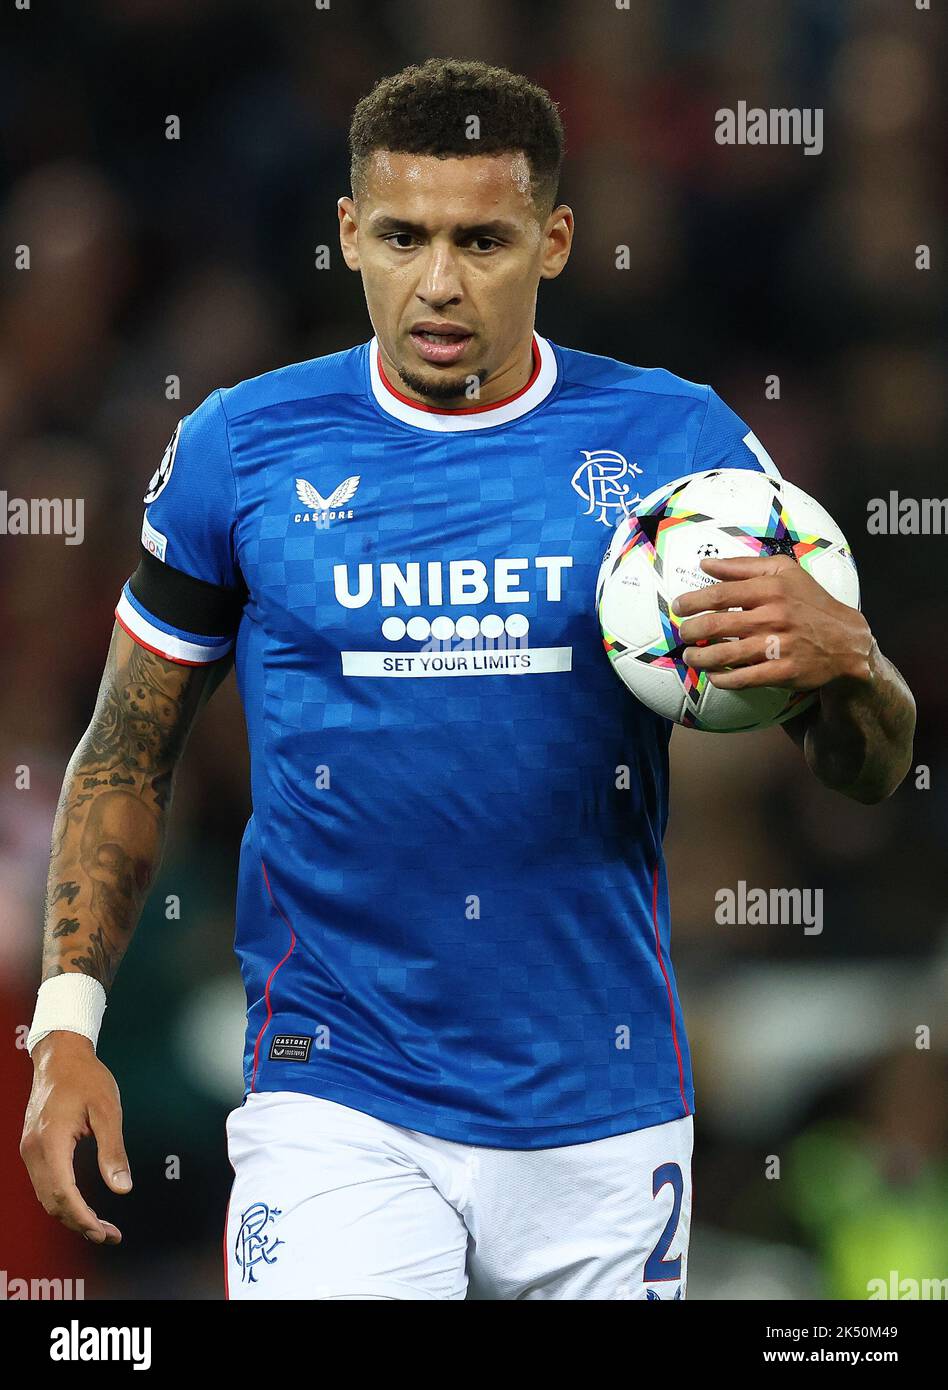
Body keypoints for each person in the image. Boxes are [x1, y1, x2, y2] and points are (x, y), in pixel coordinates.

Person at [20, 58, 916, 1301]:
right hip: (338, 1095)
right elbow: (125, 744)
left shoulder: (683, 451)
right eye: (402, 236)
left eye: (483, 239)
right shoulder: (241, 448)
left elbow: (865, 769)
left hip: (601, 1107)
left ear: (553, 240)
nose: (438, 281)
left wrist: (853, 662)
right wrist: (67, 1021)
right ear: (349, 234)